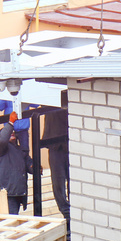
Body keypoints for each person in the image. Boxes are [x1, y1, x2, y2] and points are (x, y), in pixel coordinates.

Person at [0, 120, 33, 215]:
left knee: (12, 219)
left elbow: (28, 163)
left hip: (17, 192)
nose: (12, 133)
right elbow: (2, 140)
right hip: (7, 193)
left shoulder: (20, 150)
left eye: (13, 132)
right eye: (9, 132)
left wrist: (33, 167)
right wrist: (10, 123)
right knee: (10, 220)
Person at [41, 91, 70, 222]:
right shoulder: (48, 96)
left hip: (67, 143)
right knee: (58, 182)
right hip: (55, 144)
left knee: (70, 180)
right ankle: (66, 212)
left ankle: (70, 211)